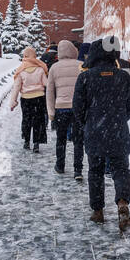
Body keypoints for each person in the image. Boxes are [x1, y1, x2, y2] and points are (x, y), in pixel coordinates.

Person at [73, 35, 130, 231]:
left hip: (94, 132)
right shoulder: (123, 77)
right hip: (118, 132)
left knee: (95, 171)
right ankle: (122, 202)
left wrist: (89, 121)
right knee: (120, 169)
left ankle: (98, 211)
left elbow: (78, 107)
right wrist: (118, 119)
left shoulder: (85, 77)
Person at [46, 40, 84, 180]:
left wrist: (51, 113)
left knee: (61, 139)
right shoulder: (80, 65)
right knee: (78, 140)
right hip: (77, 108)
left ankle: (60, 165)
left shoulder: (54, 68)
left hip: (61, 108)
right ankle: (78, 170)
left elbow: (50, 92)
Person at [10, 46, 49, 153]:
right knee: (38, 120)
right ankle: (36, 143)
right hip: (39, 98)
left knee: (26, 120)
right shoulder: (41, 68)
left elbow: (16, 87)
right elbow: (47, 84)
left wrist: (13, 101)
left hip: (26, 99)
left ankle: (26, 141)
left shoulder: (21, 70)